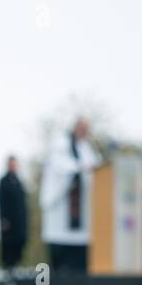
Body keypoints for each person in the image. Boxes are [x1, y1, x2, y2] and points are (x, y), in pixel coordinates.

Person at [39, 116, 99, 272]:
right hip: (60, 223)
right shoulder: (61, 144)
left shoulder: (86, 148)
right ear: (76, 128)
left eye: (87, 130)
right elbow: (62, 167)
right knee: (58, 270)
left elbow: (96, 168)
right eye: (83, 129)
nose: (85, 132)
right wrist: (81, 167)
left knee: (80, 270)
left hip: (83, 228)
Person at [0, 156, 29, 269]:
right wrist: (4, 220)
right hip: (9, 222)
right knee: (8, 247)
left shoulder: (19, 181)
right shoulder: (4, 181)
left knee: (19, 244)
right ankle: (8, 268)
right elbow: (1, 201)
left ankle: (16, 265)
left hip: (20, 221)